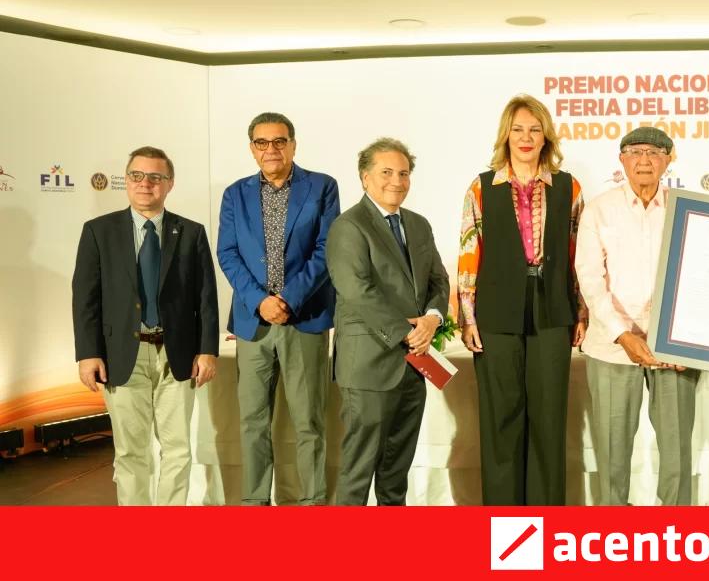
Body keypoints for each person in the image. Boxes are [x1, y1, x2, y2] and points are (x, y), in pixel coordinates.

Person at [457, 94, 587, 505]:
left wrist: (581, 309)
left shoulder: (569, 186)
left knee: (548, 419)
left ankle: (547, 521)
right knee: (501, 417)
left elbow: (577, 251)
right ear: (506, 135)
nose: (526, 137)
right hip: (496, 308)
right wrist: (467, 316)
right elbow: (468, 249)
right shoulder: (481, 186)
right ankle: (504, 522)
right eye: (518, 129)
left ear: (545, 135)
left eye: (534, 129)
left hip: (553, 308)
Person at [72, 146, 219, 505]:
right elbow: (85, 298)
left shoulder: (191, 232)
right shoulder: (98, 232)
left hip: (178, 355)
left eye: (155, 177)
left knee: (178, 449)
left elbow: (206, 298)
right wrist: (88, 353)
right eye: (137, 176)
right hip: (123, 354)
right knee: (131, 452)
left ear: (169, 183)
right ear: (127, 181)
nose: (145, 184)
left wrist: (208, 350)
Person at [217, 112, 340, 505]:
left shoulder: (321, 187)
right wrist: (260, 301)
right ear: (251, 148)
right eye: (262, 142)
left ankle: (313, 503)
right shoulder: (235, 194)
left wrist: (287, 299)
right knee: (253, 423)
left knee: (309, 423)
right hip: (254, 323)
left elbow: (326, 250)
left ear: (293, 144)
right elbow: (228, 253)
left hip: (304, 318)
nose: (271, 149)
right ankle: (254, 504)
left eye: (279, 141)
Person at [576, 127, 699, 506]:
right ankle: (615, 533)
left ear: (669, 157)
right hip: (613, 348)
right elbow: (590, 280)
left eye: (654, 152)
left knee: (677, 453)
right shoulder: (600, 209)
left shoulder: (687, 209)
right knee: (612, 455)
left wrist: (687, 338)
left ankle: (676, 534)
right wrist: (623, 335)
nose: (644, 160)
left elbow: (699, 276)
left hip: (674, 351)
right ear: (621, 160)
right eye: (634, 152)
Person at [326, 138, 449, 505]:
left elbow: (438, 281)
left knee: (397, 472)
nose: (397, 180)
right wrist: (410, 334)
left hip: (414, 366)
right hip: (368, 365)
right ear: (365, 178)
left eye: (404, 173)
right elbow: (357, 291)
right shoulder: (348, 226)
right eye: (386, 172)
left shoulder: (419, 224)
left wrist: (432, 318)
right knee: (358, 470)